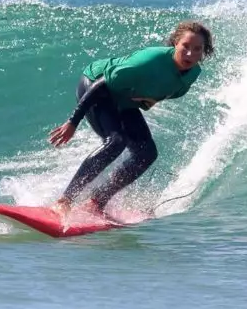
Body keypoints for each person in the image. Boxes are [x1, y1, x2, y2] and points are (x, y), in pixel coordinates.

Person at [49, 21, 214, 215]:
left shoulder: (193, 73)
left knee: (147, 153)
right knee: (115, 142)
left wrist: (152, 100)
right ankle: (64, 201)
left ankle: (96, 201)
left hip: (124, 98)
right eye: (185, 46)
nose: (190, 54)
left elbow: (170, 90)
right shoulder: (149, 62)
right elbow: (101, 85)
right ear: (175, 43)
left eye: (197, 49)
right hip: (96, 87)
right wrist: (72, 122)